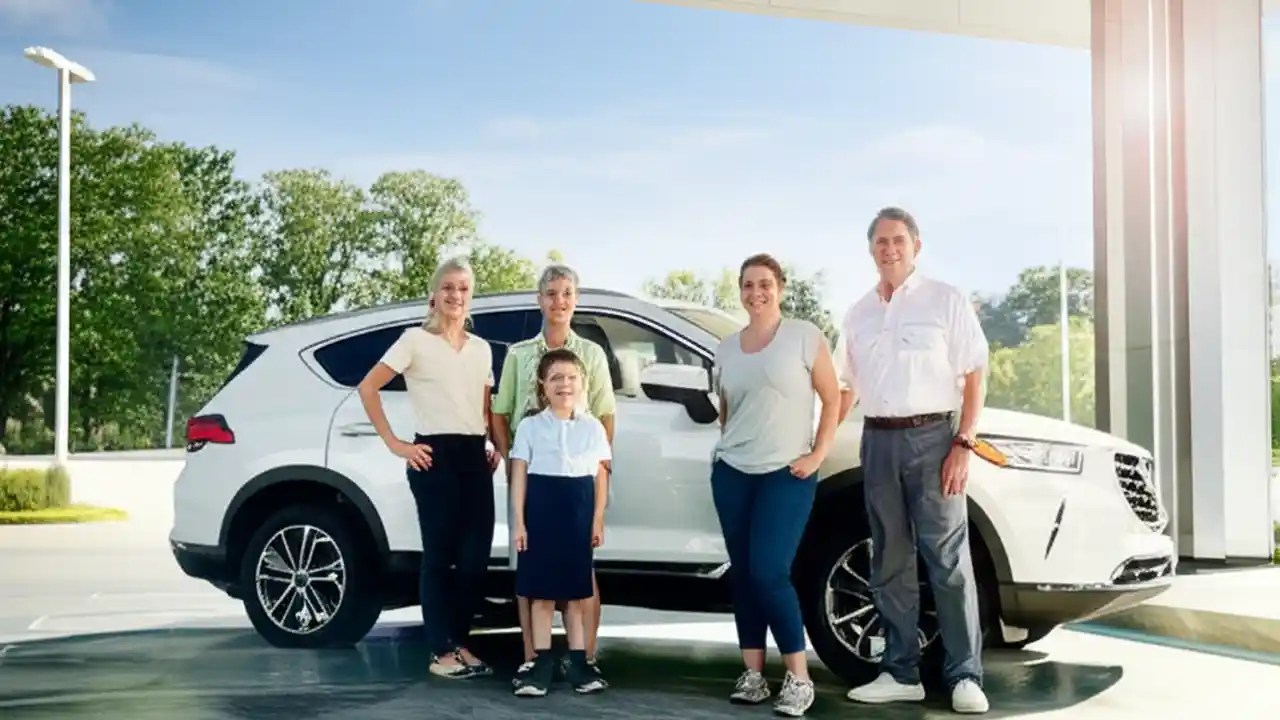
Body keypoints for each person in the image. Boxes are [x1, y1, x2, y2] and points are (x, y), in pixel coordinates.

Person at [839, 207, 991, 714]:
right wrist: (815, 441)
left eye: (898, 240)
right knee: (889, 561)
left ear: (916, 246)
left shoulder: (944, 300)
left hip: (934, 439)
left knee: (948, 561)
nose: (889, 249)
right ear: (870, 250)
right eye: (880, 241)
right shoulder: (858, 313)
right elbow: (846, 387)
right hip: (877, 442)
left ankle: (965, 675)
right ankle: (900, 671)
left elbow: (974, 373)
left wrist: (963, 443)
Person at [356, 256, 501, 680]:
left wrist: (492, 444)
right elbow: (368, 387)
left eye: (464, 288)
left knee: (474, 560)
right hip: (433, 457)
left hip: (475, 458)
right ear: (434, 295)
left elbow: (485, 406)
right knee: (439, 558)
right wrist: (397, 444)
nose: (456, 295)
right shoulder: (413, 341)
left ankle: (459, 642)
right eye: (449, 287)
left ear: (470, 296)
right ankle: (441, 652)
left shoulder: (481, 349)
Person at [710, 253, 842, 718]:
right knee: (743, 574)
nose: (755, 292)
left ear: (780, 287)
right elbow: (727, 410)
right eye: (747, 285)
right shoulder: (726, 348)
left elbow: (833, 398)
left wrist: (817, 454)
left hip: (787, 474)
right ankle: (752, 675)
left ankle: (798, 678)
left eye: (764, 284)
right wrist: (727, 449)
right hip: (732, 474)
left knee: (769, 570)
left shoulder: (805, 337)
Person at [491, 263, 616, 686]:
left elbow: (605, 416)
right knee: (534, 576)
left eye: (566, 293)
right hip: (536, 481)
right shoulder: (519, 354)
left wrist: (601, 474)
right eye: (550, 293)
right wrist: (517, 467)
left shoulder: (592, 356)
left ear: (575, 299)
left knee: (581, 575)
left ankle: (585, 657)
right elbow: (499, 412)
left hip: (577, 485)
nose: (559, 301)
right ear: (539, 299)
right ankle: (534, 659)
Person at [508, 348, 611, 697]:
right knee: (541, 595)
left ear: (582, 383)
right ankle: (541, 663)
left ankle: (579, 661)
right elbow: (519, 476)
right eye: (555, 378)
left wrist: (597, 520)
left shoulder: (593, 428)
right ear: (542, 385)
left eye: (571, 378)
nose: (564, 384)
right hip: (541, 514)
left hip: (577, 515)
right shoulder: (530, 427)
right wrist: (519, 523)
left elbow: (600, 476)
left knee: (576, 595)